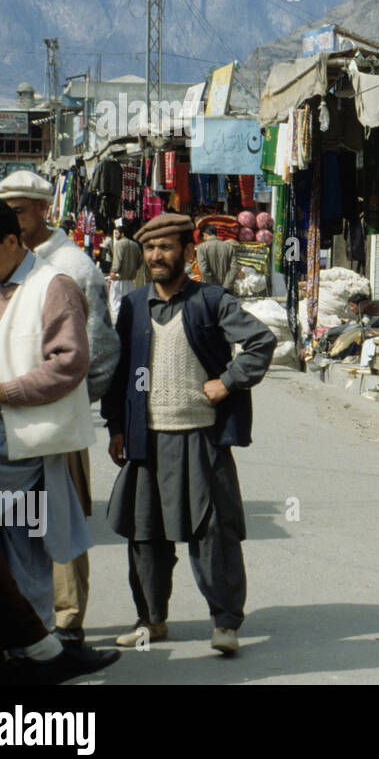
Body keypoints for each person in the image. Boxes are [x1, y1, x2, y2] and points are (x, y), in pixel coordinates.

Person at [101, 213, 275, 655]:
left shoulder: (211, 301)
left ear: (188, 252)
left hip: (201, 438)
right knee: (145, 536)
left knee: (213, 532)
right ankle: (151, 620)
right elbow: (121, 373)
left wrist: (228, 381)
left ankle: (226, 623)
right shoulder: (134, 306)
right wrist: (117, 427)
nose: (156, 256)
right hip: (146, 439)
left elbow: (260, 342)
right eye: (150, 248)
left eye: (166, 247)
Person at [0, 197, 97, 631]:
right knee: (6, 546)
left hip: (28, 443)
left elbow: (70, 361)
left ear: (12, 240)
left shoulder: (54, 286)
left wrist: (5, 390)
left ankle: (38, 641)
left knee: (25, 547)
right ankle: (24, 644)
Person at [0, 170, 120, 649]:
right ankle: (26, 623)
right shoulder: (1, 262)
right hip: (7, 420)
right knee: (15, 522)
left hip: (58, 420)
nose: (11, 222)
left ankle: (67, 625)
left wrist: (71, 405)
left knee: (59, 522)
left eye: (19, 212)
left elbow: (101, 352)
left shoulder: (72, 267)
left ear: (45, 210)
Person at [107, 219, 143, 320]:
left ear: (122, 234)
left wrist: (113, 272)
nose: (115, 235)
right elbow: (140, 261)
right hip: (130, 280)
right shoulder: (135, 245)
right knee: (128, 303)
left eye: (116, 233)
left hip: (119, 278)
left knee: (115, 303)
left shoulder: (119, 244)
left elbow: (117, 260)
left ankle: (117, 323)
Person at [196, 226, 239, 291]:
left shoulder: (201, 248)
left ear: (205, 234)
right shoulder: (229, 247)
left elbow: (203, 270)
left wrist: (214, 287)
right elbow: (234, 270)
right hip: (226, 290)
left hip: (209, 289)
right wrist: (225, 287)